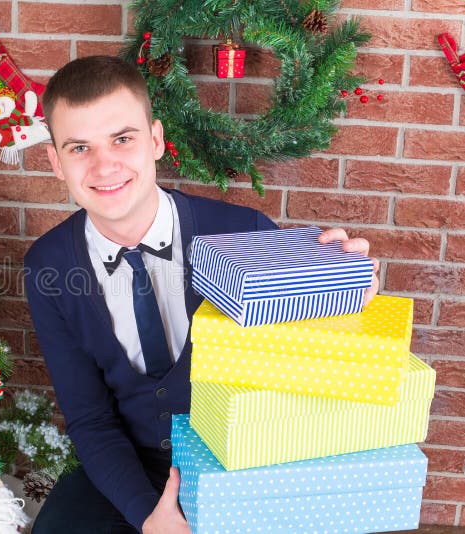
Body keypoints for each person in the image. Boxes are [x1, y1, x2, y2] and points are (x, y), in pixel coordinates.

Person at [23, 55, 380, 534]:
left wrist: (347, 291)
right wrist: (149, 517)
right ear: (56, 162)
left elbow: (299, 374)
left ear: (155, 140)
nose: (104, 165)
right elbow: (90, 419)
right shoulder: (48, 265)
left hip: (239, 458)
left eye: (122, 139)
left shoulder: (243, 233)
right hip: (127, 458)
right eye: (79, 147)